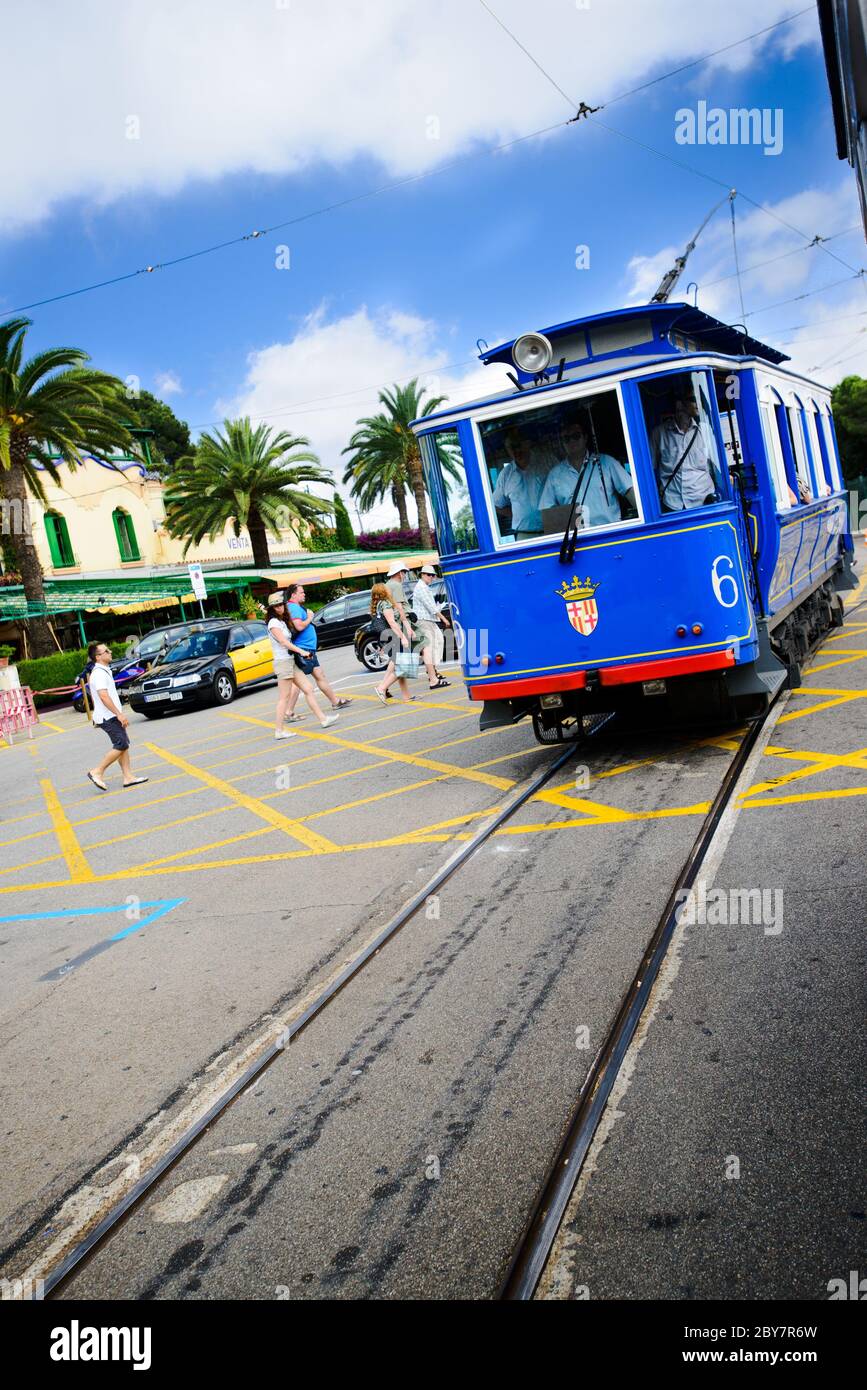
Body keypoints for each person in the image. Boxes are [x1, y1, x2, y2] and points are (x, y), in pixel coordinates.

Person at [539, 420, 635, 527]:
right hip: (576, 539)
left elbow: (630, 491)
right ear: (562, 443)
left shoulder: (606, 463)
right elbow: (547, 512)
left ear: (585, 438)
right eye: (566, 438)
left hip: (609, 531)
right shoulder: (554, 475)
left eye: (576, 436)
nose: (571, 441)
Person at [267, 593, 339, 734]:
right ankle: (279, 730)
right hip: (283, 663)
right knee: (284, 698)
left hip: (290, 661)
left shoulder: (281, 621)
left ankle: (323, 719)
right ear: (271, 609)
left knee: (308, 688)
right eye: (276, 606)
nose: (279, 608)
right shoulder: (273, 623)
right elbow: (283, 642)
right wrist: (301, 651)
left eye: (281, 604)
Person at [283, 582, 352, 721]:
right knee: (298, 683)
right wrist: (310, 617)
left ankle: (335, 702)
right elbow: (299, 626)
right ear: (293, 594)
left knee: (319, 675)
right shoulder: (294, 608)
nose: (304, 594)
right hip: (302, 650)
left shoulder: (295, 607)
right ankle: (288, 712)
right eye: (301, 592)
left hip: (308, 649)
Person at [86, 641, 149, 791]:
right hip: (108, 717)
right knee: (121, 744)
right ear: (98, 656)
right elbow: (103, 696)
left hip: (110, 715)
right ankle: (97, 771)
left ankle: (128, 777)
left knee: (124, 745)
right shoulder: (99, 673)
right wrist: (119, 714)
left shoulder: (104, 670)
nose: (110, 652)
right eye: (107, 651)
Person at [651, 392, 719, 512]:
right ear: (679, 405)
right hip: (674, 504)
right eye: (693, 399)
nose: (698, 403)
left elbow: (716, 466)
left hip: (705, 500)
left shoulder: (704, 430)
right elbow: (650, 469)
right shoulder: (659, 433)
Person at [491, 425, 551, 538]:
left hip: (552, 530)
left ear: (527, 443)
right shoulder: (506, 474)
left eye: (518, 445)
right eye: (511, 447)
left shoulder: (546, 462)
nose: (516, 450)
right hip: (525, 535)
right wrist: (518, 515)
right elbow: (496, 505)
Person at [370, 583, 415, 704]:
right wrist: (403, 637)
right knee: (405, 666)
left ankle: (404, 695)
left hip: (386, 638)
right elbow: (392, 623)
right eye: (386, 588)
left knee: (396, 664)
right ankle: (382, 688)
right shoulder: (385, 603)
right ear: (384, 591)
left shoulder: (377, 605)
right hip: (393, 637)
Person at [411, 565, 450, 689]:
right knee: (429, 648)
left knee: (437, 642)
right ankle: (432, 677)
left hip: (429, 620)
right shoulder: (421, 587)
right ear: (422, 575)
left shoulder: (424, 587)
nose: (432, 577)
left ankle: (432, 672)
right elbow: (430, 607)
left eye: (433, 575)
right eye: (429, 575)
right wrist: (444, 618)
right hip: (424, 621)